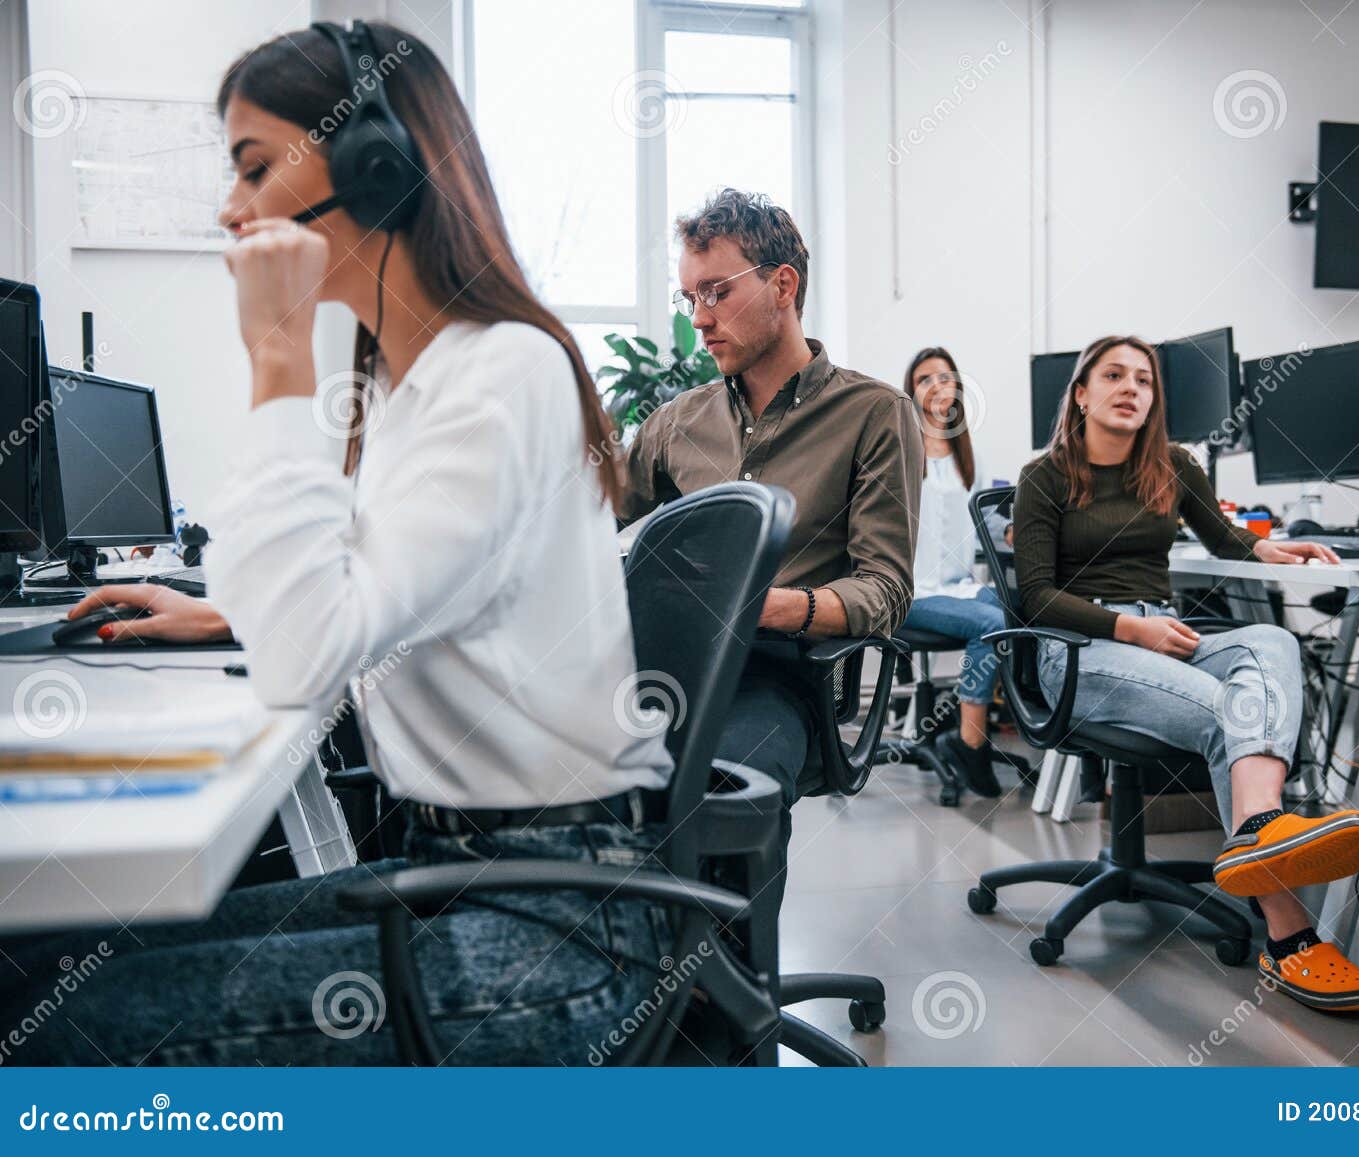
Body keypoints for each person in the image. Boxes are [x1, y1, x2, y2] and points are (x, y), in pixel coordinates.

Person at [0, 20, 675, 1064]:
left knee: (67, 1024)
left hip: (553, 930)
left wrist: (273, 353)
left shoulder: (502, 371)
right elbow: (387, 589)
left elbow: (307, 653)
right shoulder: (403, 383)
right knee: (42, 961)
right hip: (457, 872)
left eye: (253, 167)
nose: (230, 208)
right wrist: (228, 609)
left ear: (375, 162)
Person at [1012, 334, 1359, 1013]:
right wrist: (1133, 627)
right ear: (1081, 392)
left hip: (1163, 631)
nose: (1132, 388)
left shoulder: (1173, 466)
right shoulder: (1044, 477)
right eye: (1114, 375)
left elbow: (1225, 538)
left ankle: (1259, 829)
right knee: (1228, 708)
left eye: (1145, 380)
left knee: (1270, 642)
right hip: (1080, 649)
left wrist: (1272, 546)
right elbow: (1035, 595)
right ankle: (1290, 937)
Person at [619, 188, 922, 901]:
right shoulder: (676, 422)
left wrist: (764, 606)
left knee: (726, 797)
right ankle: (632, 985)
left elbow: (885, 589)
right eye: (690, 295)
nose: (698, 318)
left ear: (783, 284)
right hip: (663, 669)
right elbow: (580, 524)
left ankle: (727, 999)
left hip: (780, 675)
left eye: (716, 292)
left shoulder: (874, 414)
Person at [896, 346, 1010, 798]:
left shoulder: (971, 459)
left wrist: (1016, 532)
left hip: (958, 587)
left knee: (1024, 614)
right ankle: (970, 743)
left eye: (946, 377)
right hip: (911, 593)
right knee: (993, 623)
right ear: (912, 392)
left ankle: (993, 733)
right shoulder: (898, 451)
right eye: (925, 379)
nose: (937, 386)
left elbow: (989, 521)